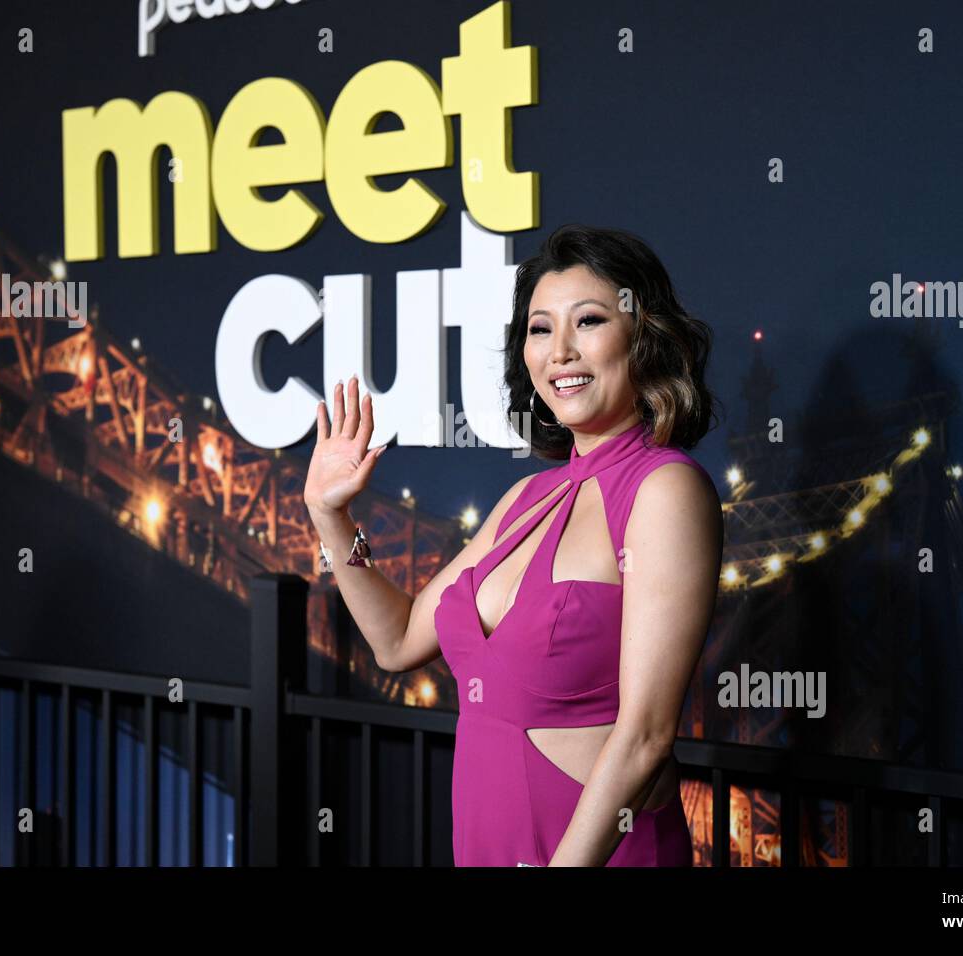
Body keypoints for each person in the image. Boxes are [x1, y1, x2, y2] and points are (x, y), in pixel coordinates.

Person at [303, 224, 723, 866]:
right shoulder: (525, 498)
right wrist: (331, 517)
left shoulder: (665, 490)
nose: (560, 351)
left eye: (588, 321)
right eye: (539, 328)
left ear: (643, 336)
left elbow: (645, 736)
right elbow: (397, 642)